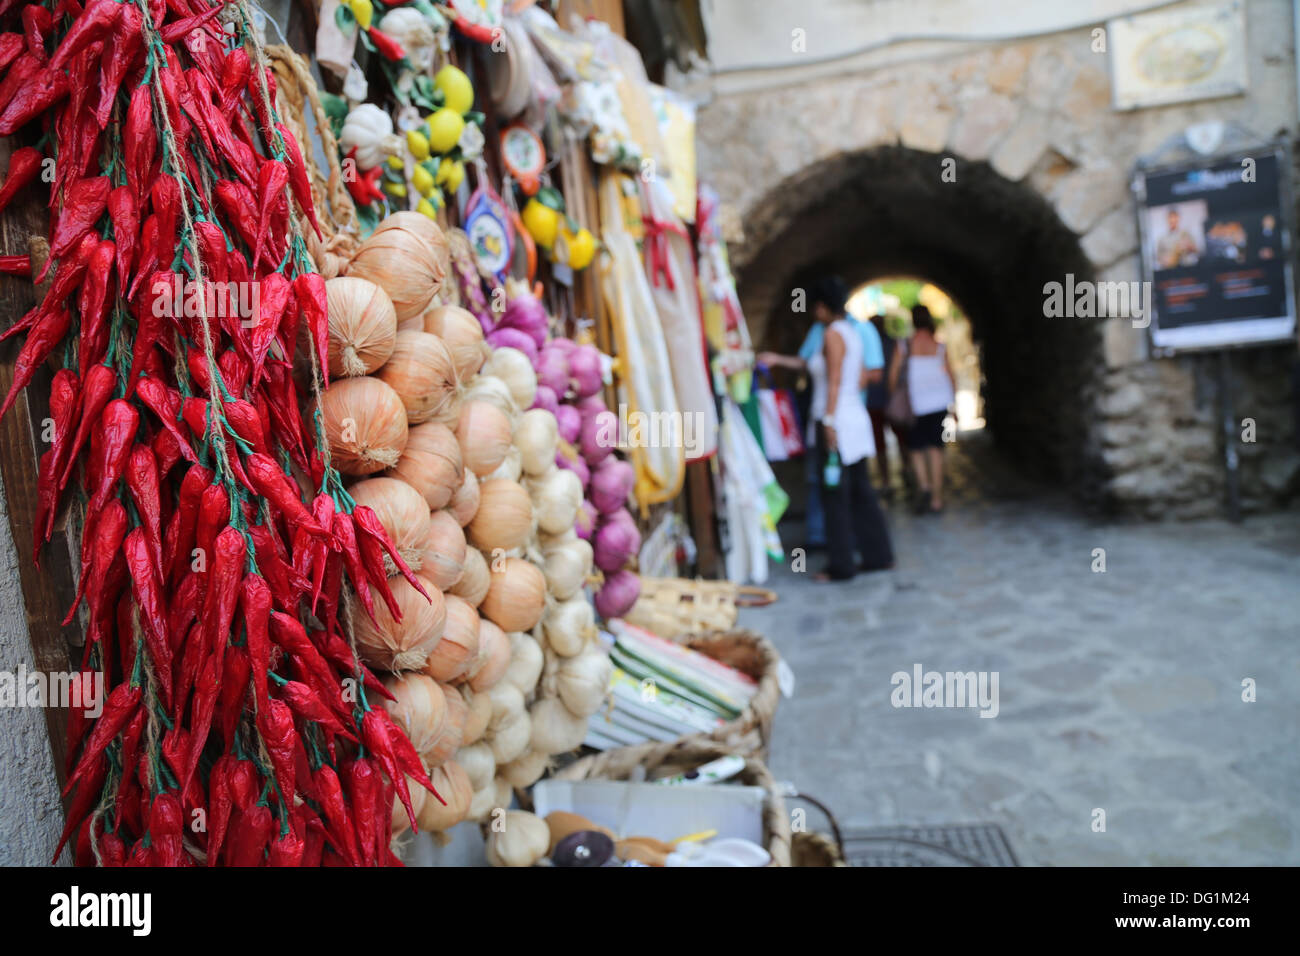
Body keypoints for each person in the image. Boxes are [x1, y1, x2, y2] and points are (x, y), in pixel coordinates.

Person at [760, 278, 893, 579]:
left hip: (834, 421)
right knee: (860, 489)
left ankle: (841, 565)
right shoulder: (854, 332)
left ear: (822, 307)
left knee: (834, 493)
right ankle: (878, 554)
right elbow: (859, 377)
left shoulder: (832, 334)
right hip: (853, 417)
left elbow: (833, 381)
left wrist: (831, 420)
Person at [889, 304, 955, 514]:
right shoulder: (939, 346)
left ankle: (924, 485)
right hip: (938, 403)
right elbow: (951, 375)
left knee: (916, 449)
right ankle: (936, 499)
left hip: (915, 405)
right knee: (936, 449)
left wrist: (894, 395)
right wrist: (954, 404)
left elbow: (892, 375)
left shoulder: (905, 345)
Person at [866, 312, 907, 496]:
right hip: (891, 399)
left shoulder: (865, 346)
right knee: (901, 438)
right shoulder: (894, 343)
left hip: (875, 400)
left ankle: (886, 479)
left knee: (880, 442)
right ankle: (907, 470)